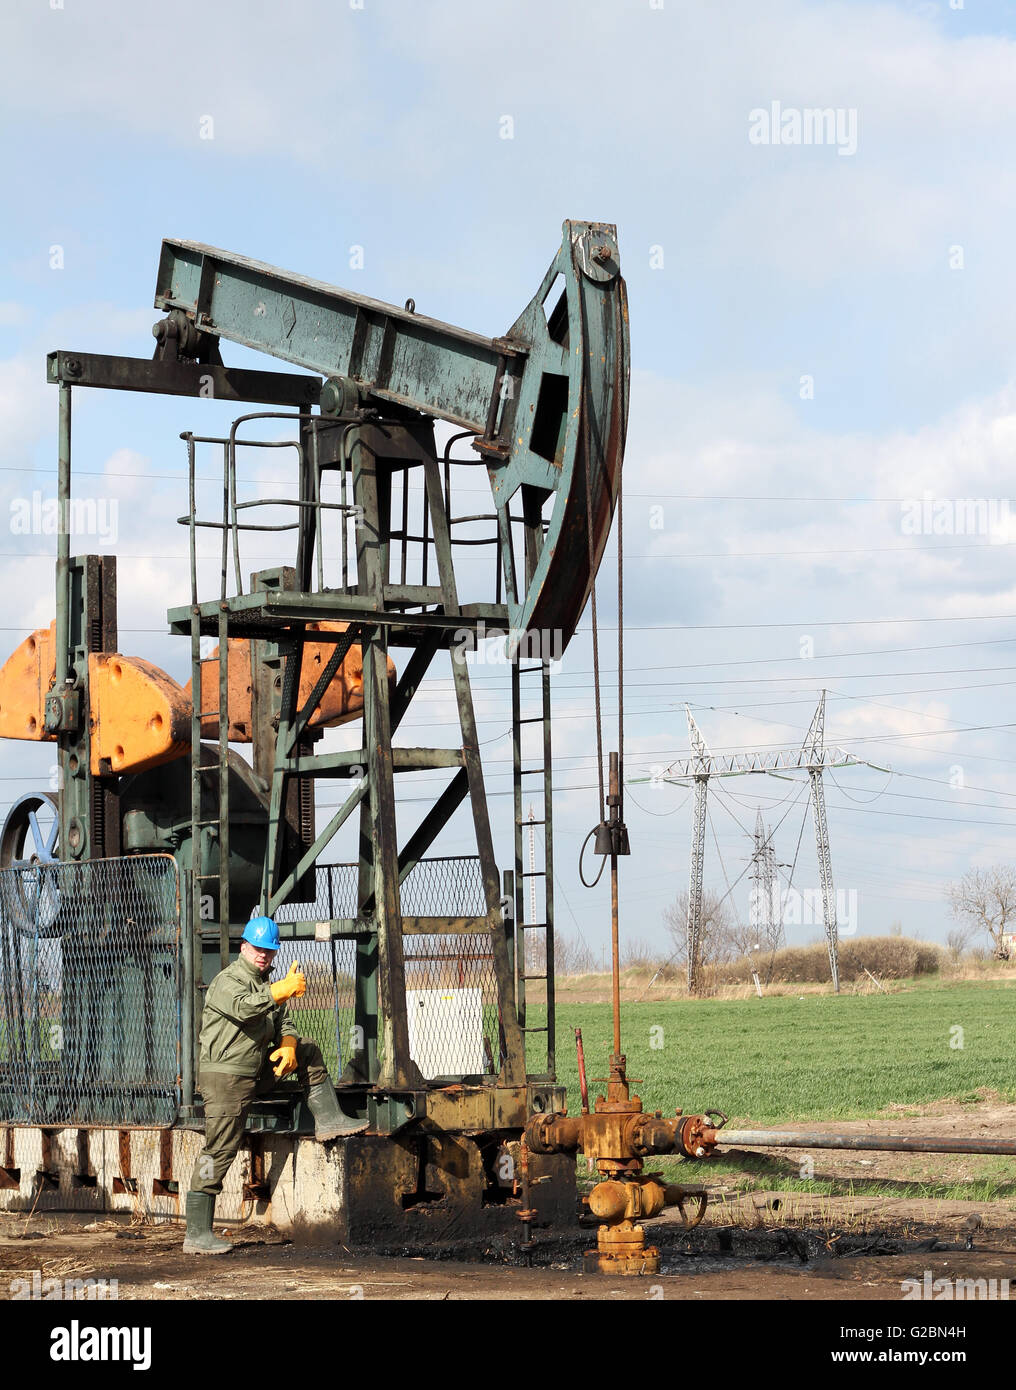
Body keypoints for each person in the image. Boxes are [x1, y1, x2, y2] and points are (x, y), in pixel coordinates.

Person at [183, 915, 350, 1255]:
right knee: (219, 1149)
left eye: (269, 951)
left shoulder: (266, 983)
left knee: (308, 1049)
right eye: (258, 949)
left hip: (255, 1072)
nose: (264, 955)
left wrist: (288, 1044)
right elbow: (245, 1010)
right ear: (244, 947)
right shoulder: (228, 981)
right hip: (226, 1079)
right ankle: (196, 1234)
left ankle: (331, 1120)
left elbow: (283, 1019)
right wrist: (280, 990)